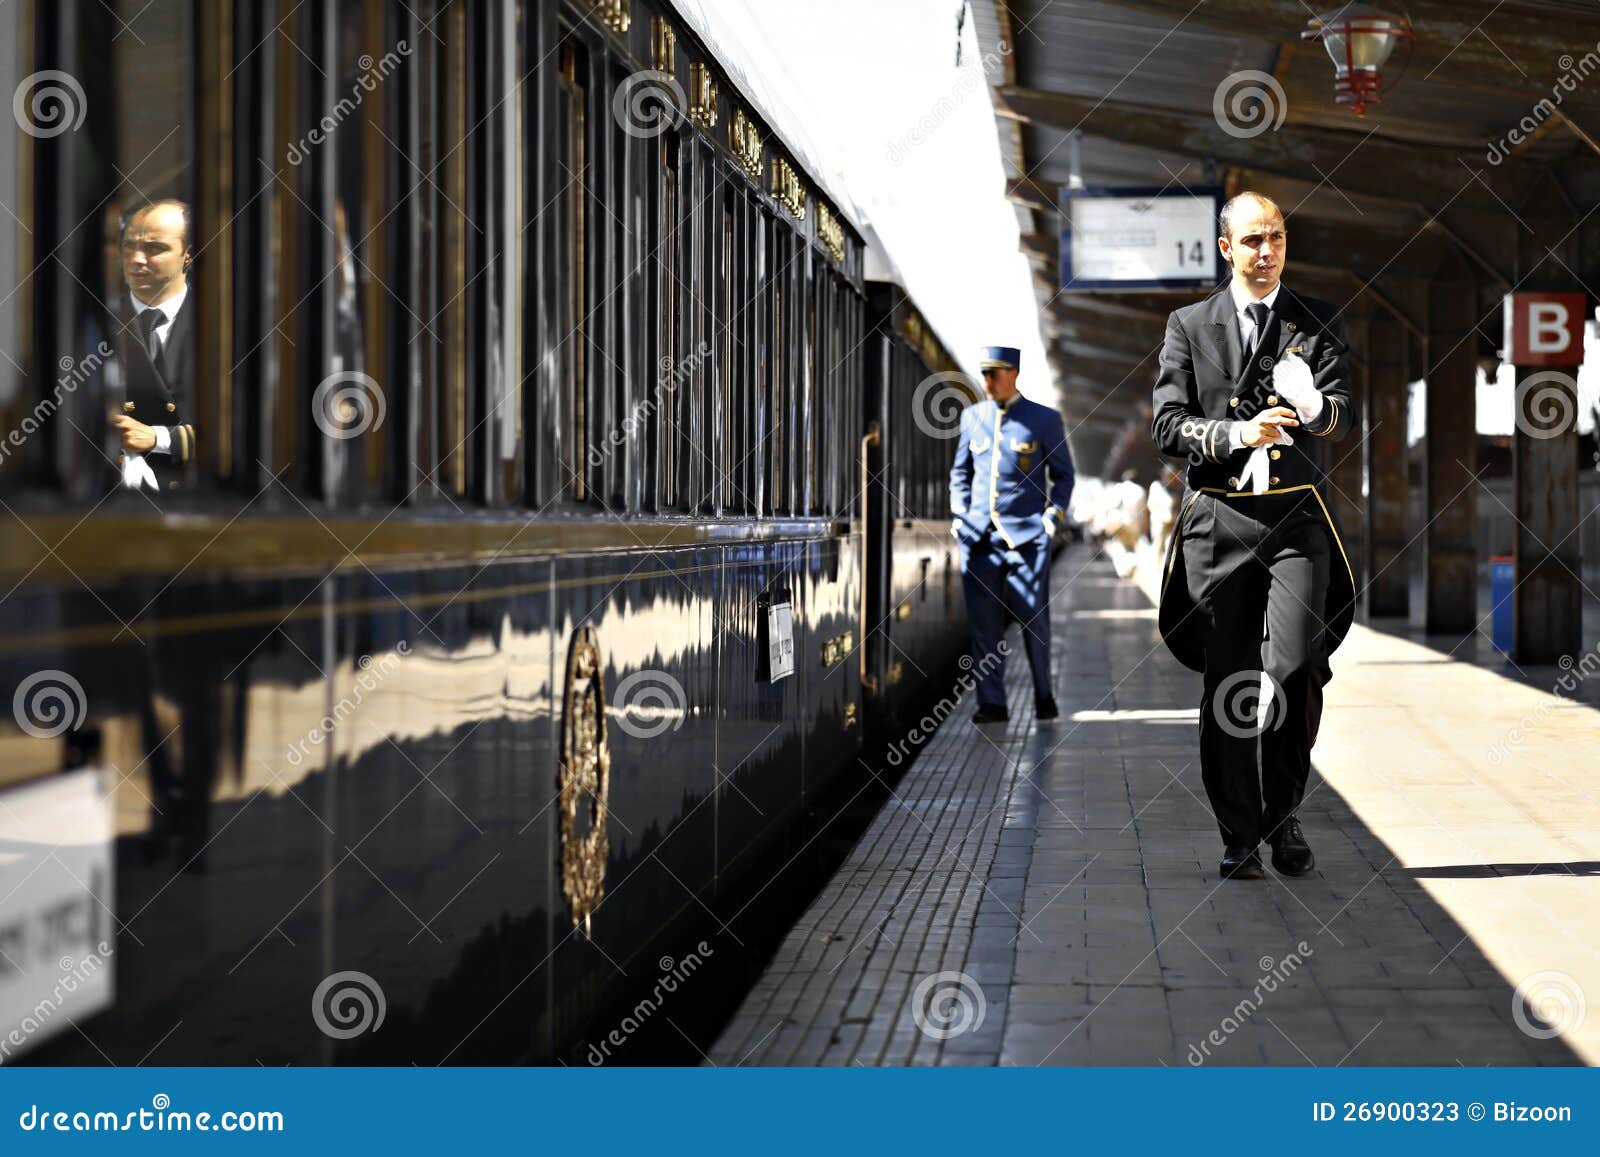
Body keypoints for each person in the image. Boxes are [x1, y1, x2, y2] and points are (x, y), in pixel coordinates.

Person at [1151, 191, 1356, 881]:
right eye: (1252, 240)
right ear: (1226, 248)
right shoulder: (1188, 325)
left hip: (1297, 517)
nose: (1267, 251)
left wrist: (1314, 405)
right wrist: (1239, 433)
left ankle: (1283, 814)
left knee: (1298, 667)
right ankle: (1239, 832)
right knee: (1230, 678)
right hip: (1221, 519)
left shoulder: (1317, 320)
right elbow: (1167, 426)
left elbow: (1344, 415)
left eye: (1276, 237)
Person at [949, 346, 1075, 724]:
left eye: (995, 373)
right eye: (984, 374)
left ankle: (1044, 695)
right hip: (978, 539)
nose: (987, 381)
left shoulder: (1044, 419)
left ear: (1013, 373)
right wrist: (960, 513)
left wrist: (1052, 518)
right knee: (984, 624)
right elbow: (960, 473)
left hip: (1027, 538)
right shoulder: (972, 418)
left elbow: (1064, 475)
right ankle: (992, 703)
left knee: (1034, 619)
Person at [112, 198, 196, 492]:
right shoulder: (99, 323)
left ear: (188, 254)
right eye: (129, 246)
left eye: (154, 248)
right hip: (113, 498)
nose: (136, 259)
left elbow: (239, 433)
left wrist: (160, 438)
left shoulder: (219, 328)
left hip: (201, 495)